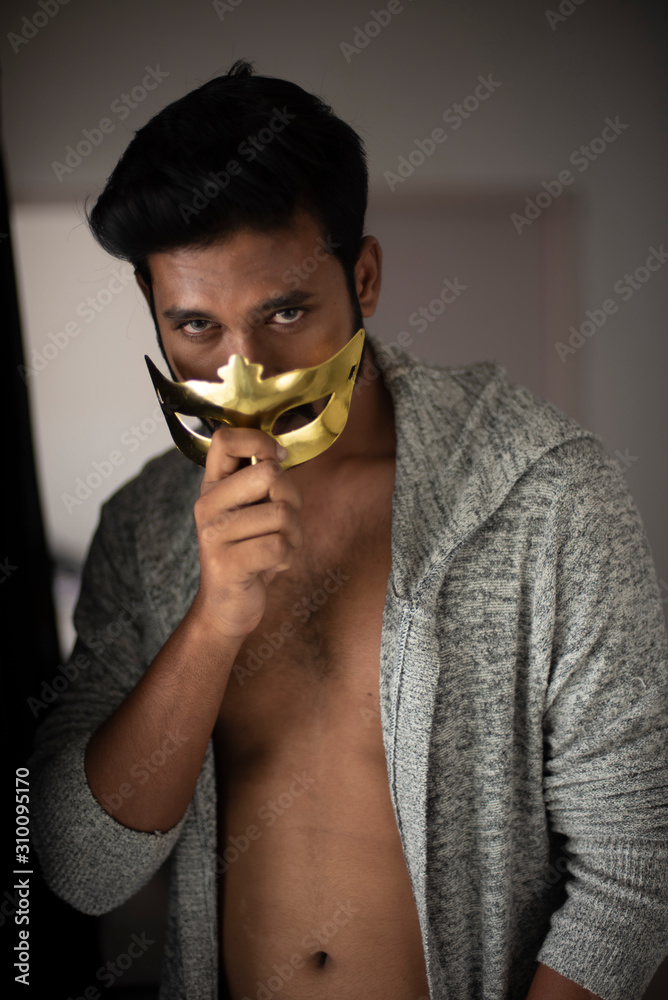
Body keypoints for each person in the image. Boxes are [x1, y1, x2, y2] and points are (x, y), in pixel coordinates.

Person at [29, 60, 668, 1000]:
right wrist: (213, 623)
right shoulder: (141, 526)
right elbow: (79, 870)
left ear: (363, 276)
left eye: (285, 312)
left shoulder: (549, 492)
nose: (245, 374)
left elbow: (634, 871)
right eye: (197, 327)